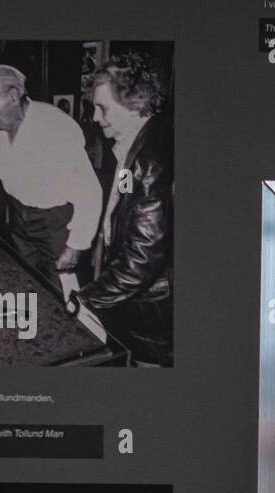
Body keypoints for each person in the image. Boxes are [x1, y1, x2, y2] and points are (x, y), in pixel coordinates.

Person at [0, 64, 102, 277]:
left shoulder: (56, 127)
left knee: (62, 294)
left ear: (13, 96)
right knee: (25, 284)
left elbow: (90, 192)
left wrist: (76, 244)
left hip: (57, 225)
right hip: (20, 219)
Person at [68, 52, 174, 366]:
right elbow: (127, 206)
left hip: (153, 316)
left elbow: (142, 259)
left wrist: (86, 298)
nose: (96, 118)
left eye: (102, 108)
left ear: (135, 103)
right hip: (137, 302)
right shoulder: (134, 144)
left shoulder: (152, 159)